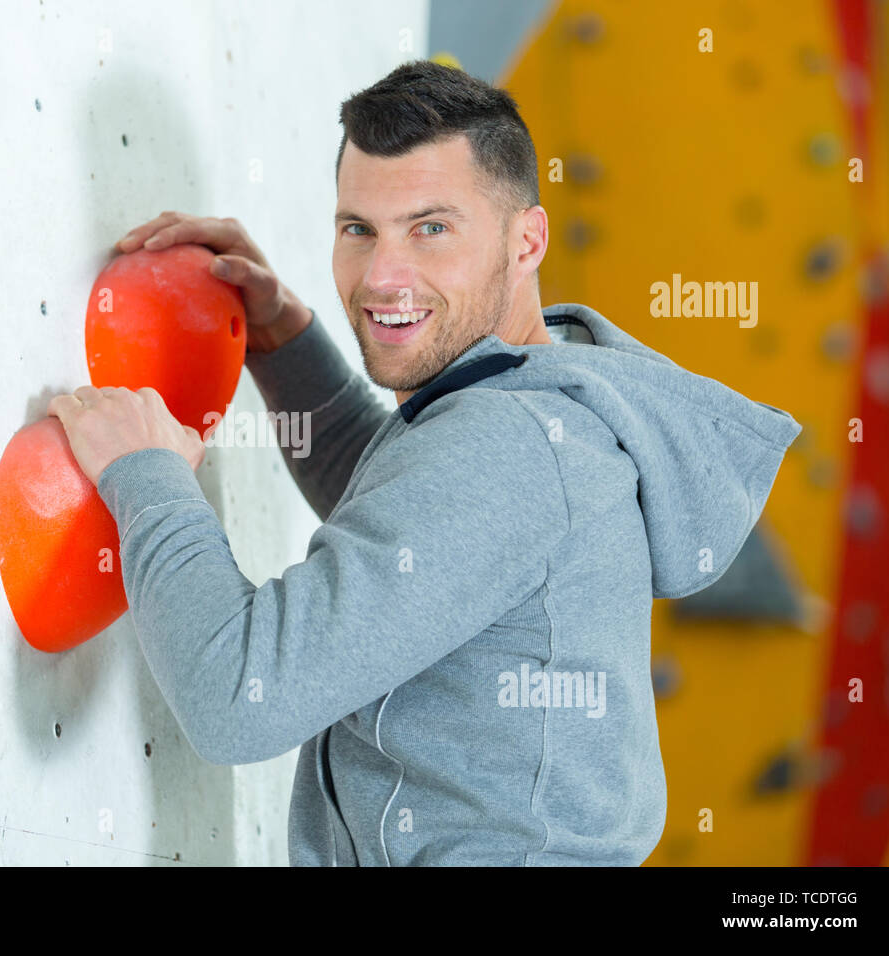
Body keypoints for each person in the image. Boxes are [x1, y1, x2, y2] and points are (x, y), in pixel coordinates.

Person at [48, 60, 801, 865]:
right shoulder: (539, 398)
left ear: (526, 241)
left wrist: (148, 476)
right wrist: (285, 344)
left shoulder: (509, 447)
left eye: (430, 229)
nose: (382, 277)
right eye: (358, 229)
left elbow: (239, 698)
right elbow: (413, 527)